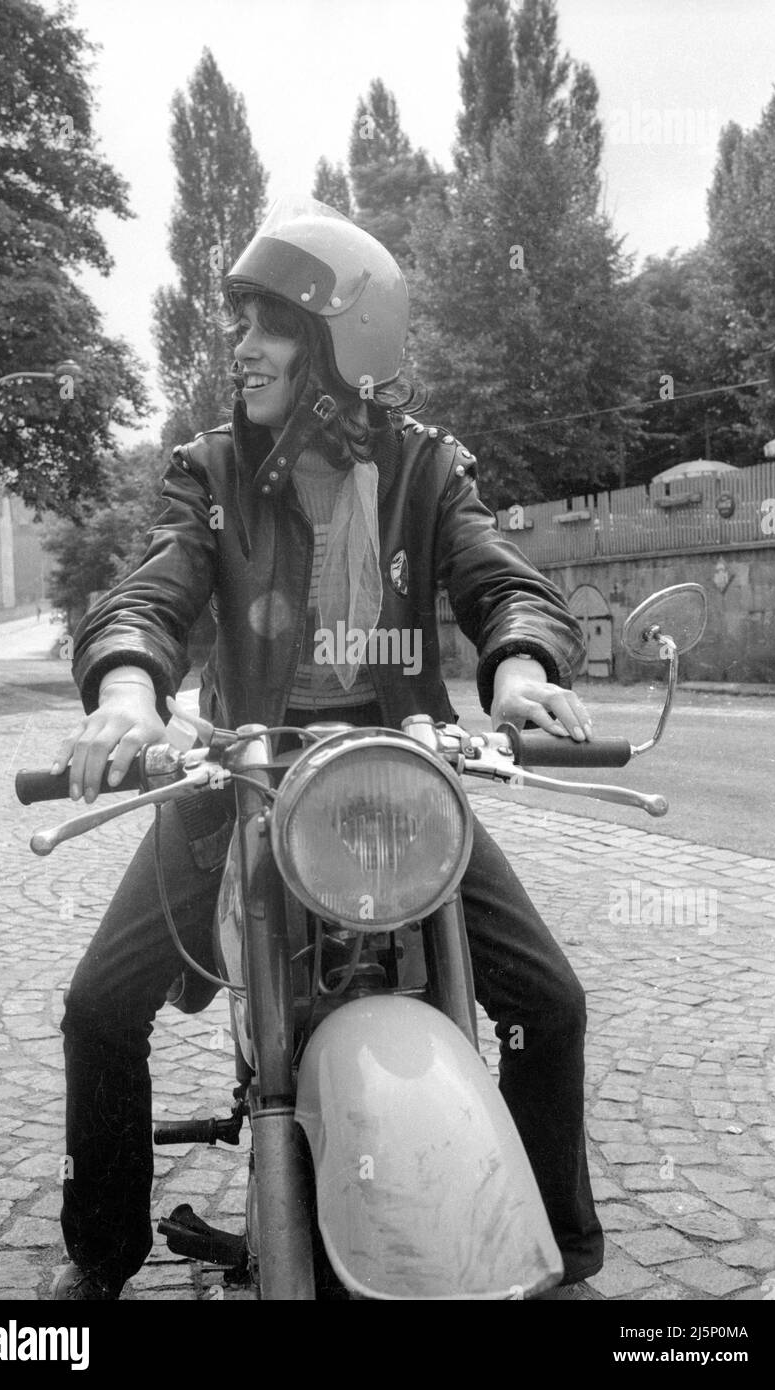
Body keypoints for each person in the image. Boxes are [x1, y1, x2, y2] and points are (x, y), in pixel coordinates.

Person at [50, 199, 604, 1301]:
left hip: (395, 783)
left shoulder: (426, 469)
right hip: (243, 774)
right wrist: (125, 691)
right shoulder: (208, 472)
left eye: (271, 324)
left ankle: (564, 1260)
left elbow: (499, 579)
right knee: (99, 1006)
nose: (242, 345)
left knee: (548, 999)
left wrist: (522, 672)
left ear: (344, 345)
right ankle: (101, 1250)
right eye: (241, 322)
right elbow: (153, 589)